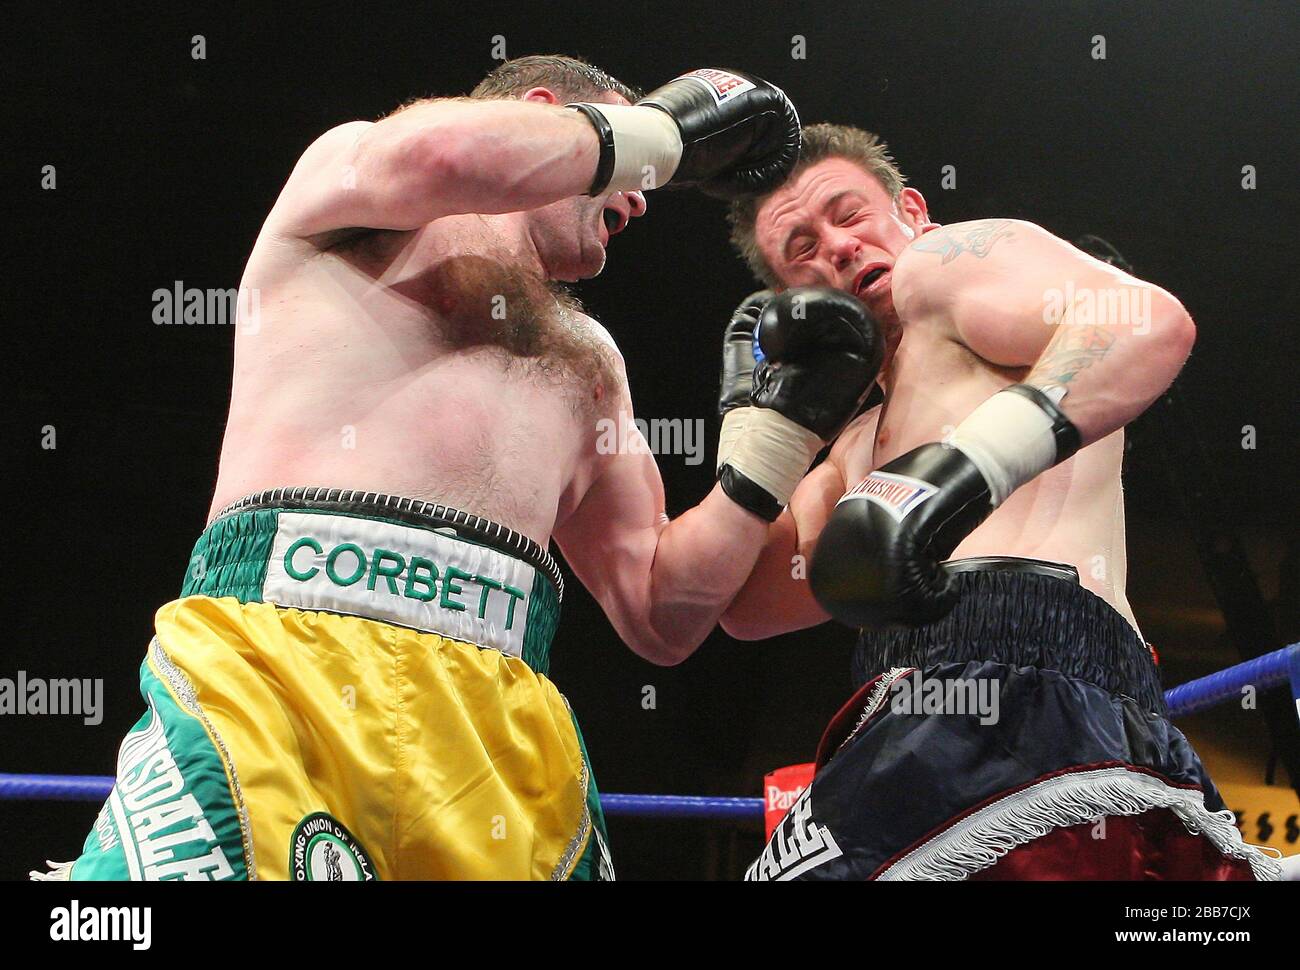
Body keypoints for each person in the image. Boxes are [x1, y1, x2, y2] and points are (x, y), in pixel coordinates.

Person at [35, 58, 887, 881]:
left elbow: (663, 612)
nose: (642, 194)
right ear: (547, 108)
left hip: (500, 730)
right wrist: (662, 132)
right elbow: (441, 154)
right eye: (632, 168)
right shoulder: (352, 200)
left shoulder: (591, 362)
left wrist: (773, 443)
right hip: (278, 664)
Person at [722, 122, 1281, 880]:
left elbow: (1147, 321)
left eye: (848, 215)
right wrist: (757, 431)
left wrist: (960, 473)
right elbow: (737, 603)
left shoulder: (947, 269)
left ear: (912, 213)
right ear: (790, 302)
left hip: (1035, 689)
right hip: (897, 718)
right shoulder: (846, 451)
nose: (838, 248)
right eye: (803, 250)